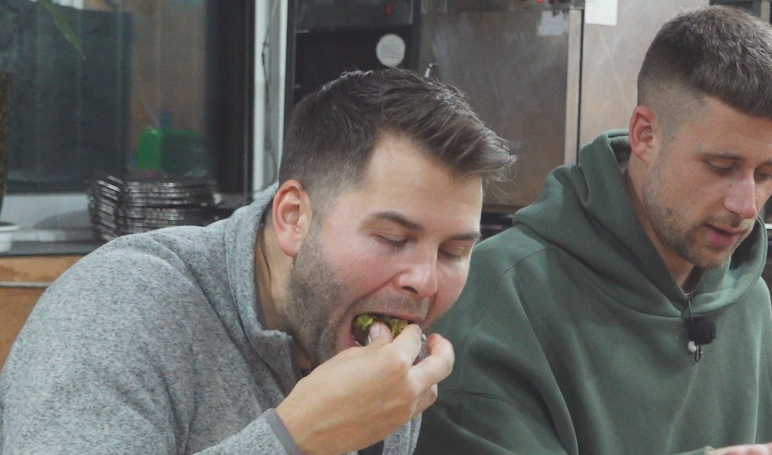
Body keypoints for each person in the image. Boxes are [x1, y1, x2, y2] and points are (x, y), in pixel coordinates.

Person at [0, 68, 513, 455]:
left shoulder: (380, 350)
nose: (424, 280)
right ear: (293, 217)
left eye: (453, 252)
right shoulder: (117, 309)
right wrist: (295, 438)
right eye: (392, 237)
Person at [414, 6, 772, 455]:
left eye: (766, 174)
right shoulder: (501, 295)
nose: (746, 205)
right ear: (645, 136)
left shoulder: (752, 302)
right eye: (720, 167)